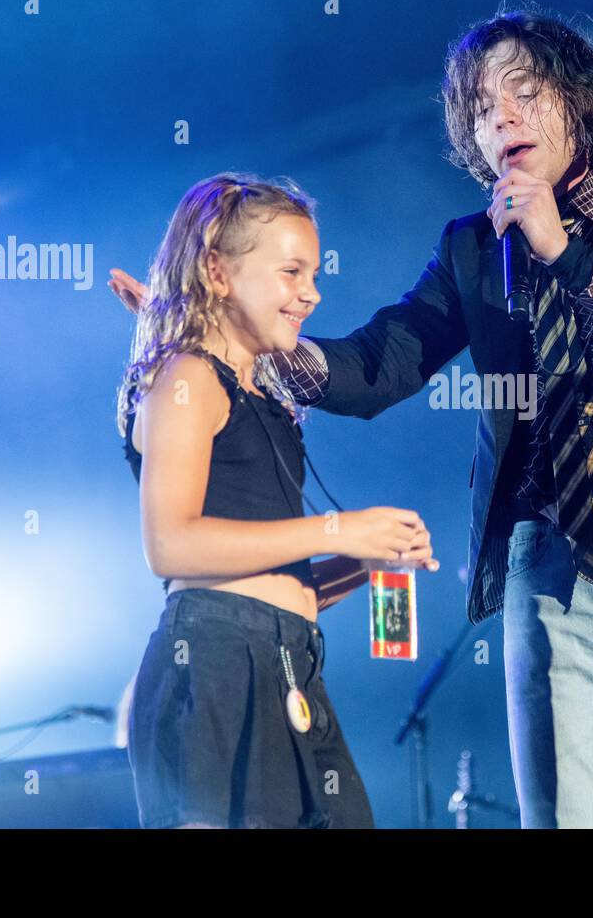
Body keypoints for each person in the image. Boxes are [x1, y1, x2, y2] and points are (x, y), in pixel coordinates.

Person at [111, 7, 593, 829]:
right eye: (480, 108)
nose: (500, 118)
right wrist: (228, 331)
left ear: (577, 98)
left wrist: (568, 255)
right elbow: (378, 365)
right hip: (554, 559)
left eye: (522, 93)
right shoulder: (473, 247)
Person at [115, 172, 438, 829]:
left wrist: (368, 558)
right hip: (213, 668)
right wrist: (336, 529)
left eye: (314, 275)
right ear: (217, 270)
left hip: (291, 666)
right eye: (292, 272)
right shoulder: (185, 378)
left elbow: (275, 581)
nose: (311, 294)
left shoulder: (266, 401)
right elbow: (170, 545)